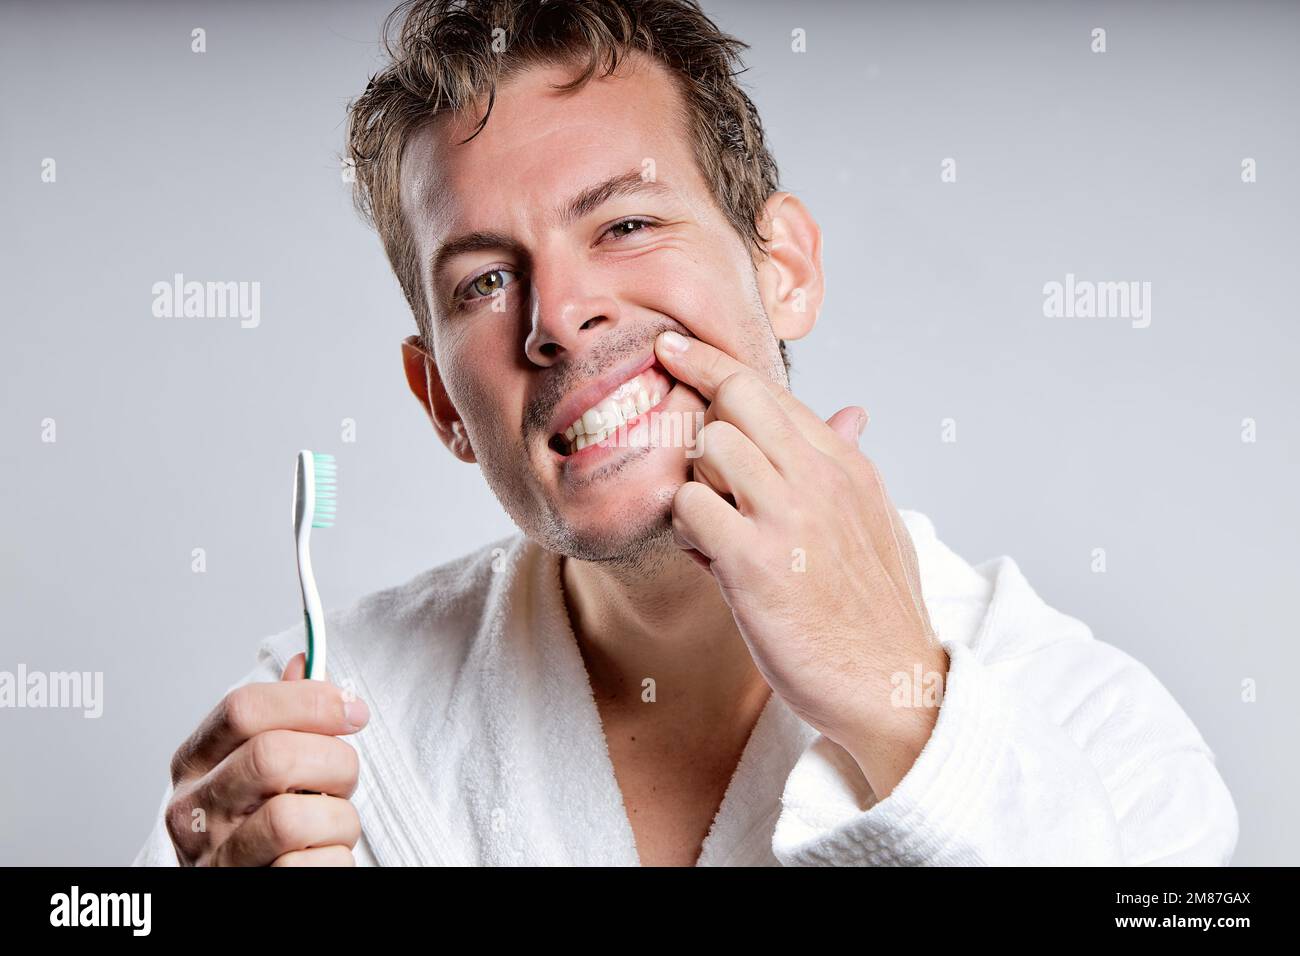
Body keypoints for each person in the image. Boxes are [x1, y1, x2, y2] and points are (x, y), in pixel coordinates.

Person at [132, 0, 1237, 866]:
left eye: (624, 222)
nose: (558, 316)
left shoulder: (1091, 726)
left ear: (783, 268)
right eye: (482, 281)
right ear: (440, 407)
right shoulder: (315, 738)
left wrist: (904, 702)